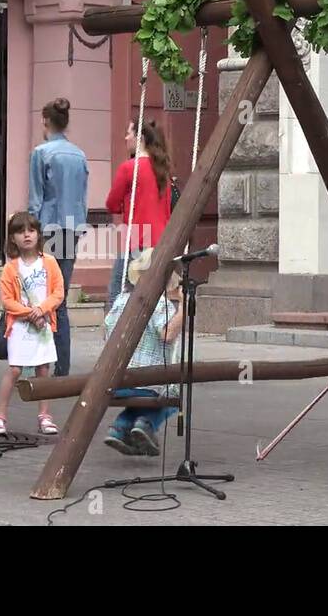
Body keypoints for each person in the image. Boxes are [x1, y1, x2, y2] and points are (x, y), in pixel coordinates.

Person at [102, 248, 185, 456]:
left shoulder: (121, 300)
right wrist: (185, 306)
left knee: (142, 394)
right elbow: (167, 334)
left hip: (115, 380)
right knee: (174, 395)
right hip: (148, 381)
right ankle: (145, 424)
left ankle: (119, 428)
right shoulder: (159, 303)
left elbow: (106, 330)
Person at [28, 98, 88, 378]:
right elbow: (82, 199)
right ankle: (61, 366)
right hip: (72, 228)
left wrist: (28, 235)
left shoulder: (42, 153)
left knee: (40, 295)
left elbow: (36, 200)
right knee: (59, 298)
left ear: (45, 122)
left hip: (49, 229)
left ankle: (39, 363)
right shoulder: (79, 155)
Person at [0, 212, 64, 436]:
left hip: (43, 325)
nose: (26, 235)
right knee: (14, 370)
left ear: (38, 234)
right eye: (20, 232)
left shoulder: (49, 263)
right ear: (13, 238)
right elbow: (7, 301)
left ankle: (44, 415)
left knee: (43, 370)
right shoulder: (11, 268)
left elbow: (58, 292)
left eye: (31, 230)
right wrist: (29, 313)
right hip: (20, 327)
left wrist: (42, 310)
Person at [105, 118, 172, 306]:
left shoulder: (129, 168)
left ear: (139, 138)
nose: (125, 138)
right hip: (159, 240)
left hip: (137, 240)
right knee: (153, 295)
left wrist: (126, 205)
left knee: (118, 292)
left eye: (129, 133)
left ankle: (116, 333)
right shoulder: (161, 168)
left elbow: (111, 204)